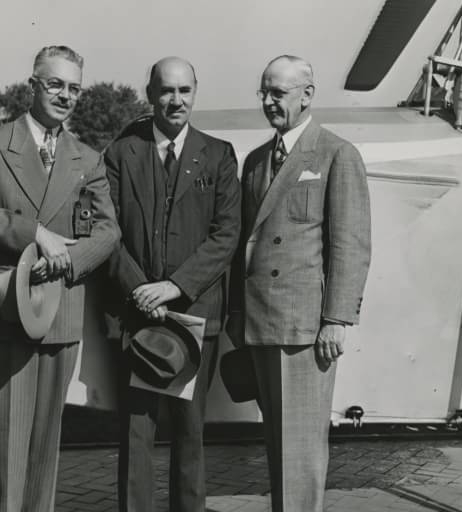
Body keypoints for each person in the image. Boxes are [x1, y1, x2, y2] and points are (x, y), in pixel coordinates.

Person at [0, 45, 121, 512]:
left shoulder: (87, 158)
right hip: (4, 307)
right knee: (4, 448)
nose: (65, 96)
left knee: (45, 450)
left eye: (74, 89)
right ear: (33, 86)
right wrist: (36, 235)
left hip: (59, 310)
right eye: (55, 85)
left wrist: (68, 259)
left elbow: (107, 231)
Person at [227, 55, 372, 512]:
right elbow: (245, 244)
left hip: (304, 329)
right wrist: (236, 313)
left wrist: (336, 320)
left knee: (301, 451)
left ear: (307, 95)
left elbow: (350, 245)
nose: (269, 102)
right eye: (264, 92)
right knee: (277, 445)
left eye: (279, 93)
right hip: (260, 323)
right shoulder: (255, 161)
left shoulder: (336, 153)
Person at [103, 57, 241, 512]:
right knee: (136, 433)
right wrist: (140, 290)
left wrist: (175, 287)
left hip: (194, 316)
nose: (175, 100)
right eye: (166, 90)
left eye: (184, 90)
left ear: (195, 92)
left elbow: (226, 236)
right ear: (150, 94)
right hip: (136, 314)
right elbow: (107, 232)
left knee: (190, 433)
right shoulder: (121, 154)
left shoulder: (218, 155)